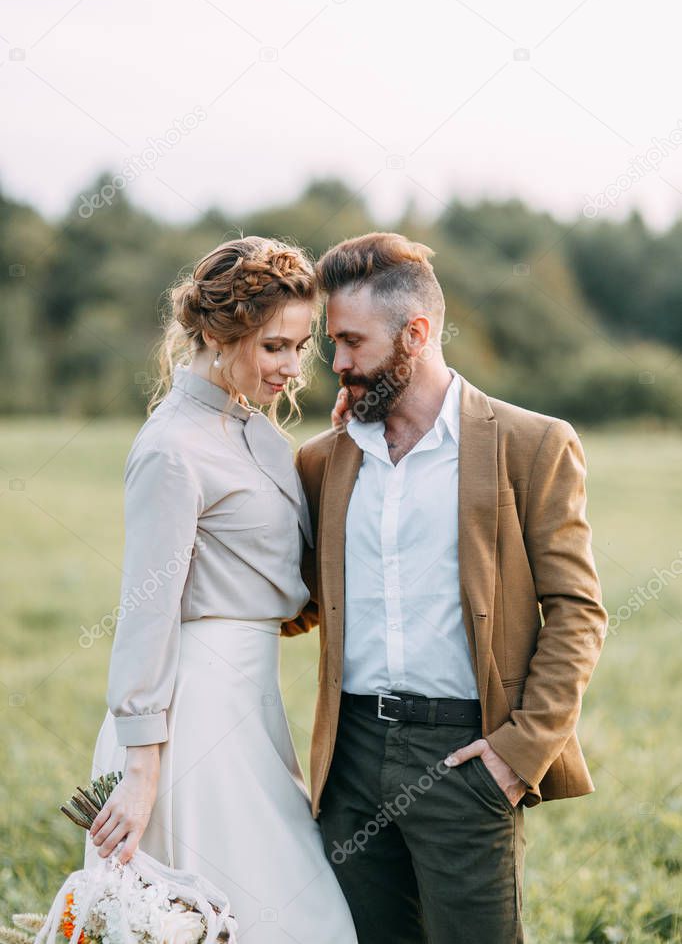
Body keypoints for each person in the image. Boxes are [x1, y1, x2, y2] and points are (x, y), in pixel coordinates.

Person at [282, 232, 608, 944]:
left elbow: (579, 611)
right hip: (349, 762)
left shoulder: (533, 444)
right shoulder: (322, 461)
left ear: (416, 334)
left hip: (467, 755)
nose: (336, 364)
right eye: (331, 344)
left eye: (351, 342)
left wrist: (517, 755)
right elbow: (295, 608)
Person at [84, 236, 358, 944]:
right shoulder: (171, 448)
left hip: (251, 702)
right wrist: (141, 768)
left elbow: (291, 580)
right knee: (289, 919)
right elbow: (146, 612)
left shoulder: (258, 432)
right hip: (190, 721)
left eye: (301, 348)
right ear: (214, 332)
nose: (292, 368)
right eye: (274, 347)